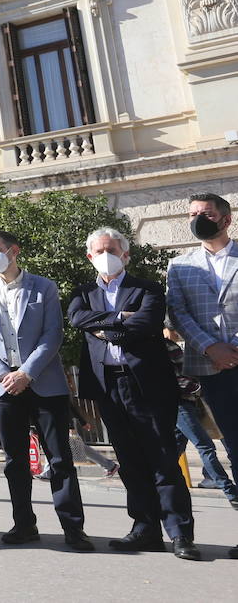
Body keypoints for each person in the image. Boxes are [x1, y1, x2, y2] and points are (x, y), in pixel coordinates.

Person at [68, 228, 198, 559]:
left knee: (163, 459)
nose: (105, 255)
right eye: (98, 251)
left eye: (111, 249)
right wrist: (119, 318)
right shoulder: (83, 293)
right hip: (108, 386)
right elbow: (76, 318)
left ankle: (180, 533)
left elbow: (146, 323)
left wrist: (104, 328)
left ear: (126, 254)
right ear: (89, 257)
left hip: (146, 385)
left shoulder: (148, 288)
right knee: (129, 461)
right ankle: (145, 529)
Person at [0, 231, 91, 550]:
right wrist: (1, 374)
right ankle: (24, 524)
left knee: (60, 458)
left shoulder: (43, 287)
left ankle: (73, 528)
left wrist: (26, 372)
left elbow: (53, 334)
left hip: (44, 384)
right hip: (3, 387)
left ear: (13, 251)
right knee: (15, 460)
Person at [165, 191, 238, 559]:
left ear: (225, 219)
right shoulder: (180, 266)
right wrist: (212, 348)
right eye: (193, 213)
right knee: (234, 448)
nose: (198, 219)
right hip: (211, 368)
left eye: (205, 213)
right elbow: (178, 314)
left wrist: (233, 348)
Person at [166, 327, 238, 508]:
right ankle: (229, 491)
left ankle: (158, 485)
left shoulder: (168, 346)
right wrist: (198, 388)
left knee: (174, 450)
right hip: (182, 404)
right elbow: (177, 378)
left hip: (185, 403)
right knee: (205, 446)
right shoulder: (168, 347)